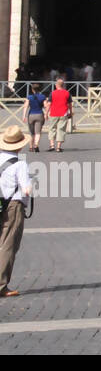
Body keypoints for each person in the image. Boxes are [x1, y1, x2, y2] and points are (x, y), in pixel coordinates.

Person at [0, 125, 32, 297]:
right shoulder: (20, 164)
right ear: (20, 145)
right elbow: (26, 189)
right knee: (8, 244)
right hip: (12, 205)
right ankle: (1, 285)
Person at [46, 77, 72, 153]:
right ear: (63, 85)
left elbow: (49, 104)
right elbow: (70, 104)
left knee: (52, 128)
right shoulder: (67, 93)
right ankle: (58, 147)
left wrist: (46, 113)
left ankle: (52, 145)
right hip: (63, 113)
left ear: (56, 85)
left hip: (53, 113)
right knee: (61, 129)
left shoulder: (52, 93)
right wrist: (70, 112)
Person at [24, 85, 47, 153]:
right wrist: (46, 114)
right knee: (38, 132)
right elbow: (45, 106)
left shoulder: (29, 97)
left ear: (32, 90)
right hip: (39, 114)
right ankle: (36, 145)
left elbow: (26, 106)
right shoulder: (42, 96)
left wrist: (24, 116)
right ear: (39, 89)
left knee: (31, 133)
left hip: (31, 114)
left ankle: (31, 147)